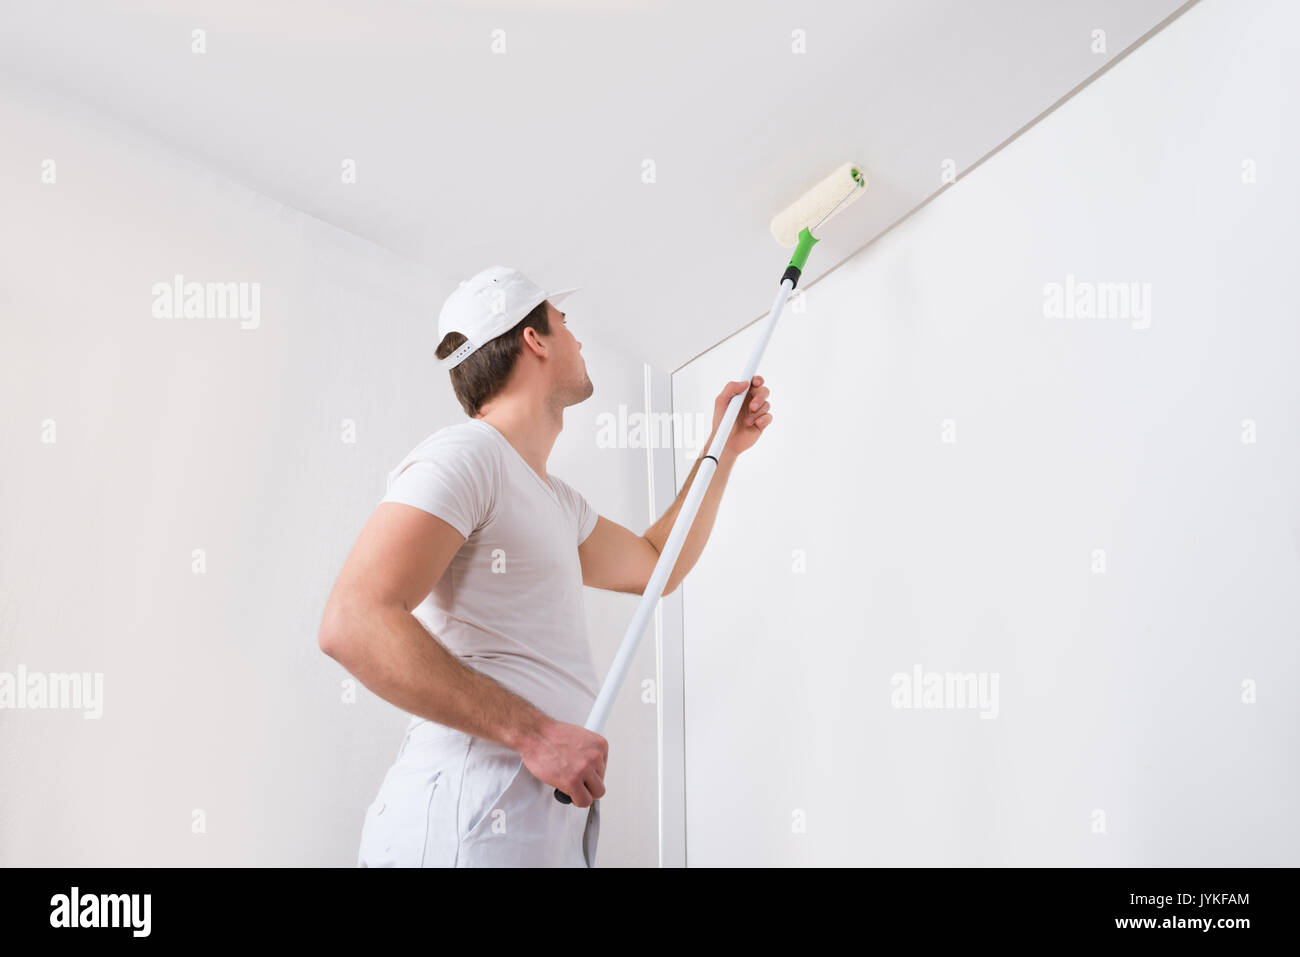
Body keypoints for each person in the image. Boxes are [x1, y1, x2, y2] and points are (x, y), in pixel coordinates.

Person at [317, 265, 773, 866]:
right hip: (465, 818)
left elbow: (657, 564)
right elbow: (353, 621)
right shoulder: (468, 455)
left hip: (532, 826)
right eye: (565, 324)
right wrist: (534, 733)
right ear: (533, 339)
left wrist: (722, 447)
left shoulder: (555, 500)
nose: (578, 341)